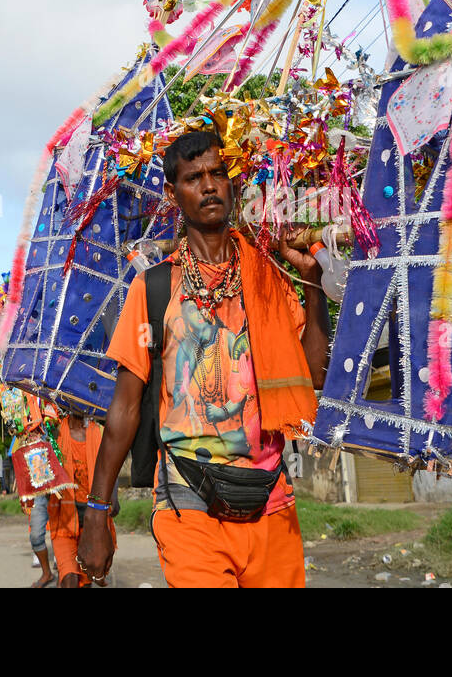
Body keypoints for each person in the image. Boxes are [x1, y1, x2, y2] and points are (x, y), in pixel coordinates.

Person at [80, 131, 330, 588]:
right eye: (194, 178)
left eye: (218, 173)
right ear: (175, 193)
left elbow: (313, 373)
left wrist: (311, 283)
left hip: (270, 498)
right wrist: (98, 510)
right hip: (187, 498)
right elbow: (126, 406)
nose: (209, 185)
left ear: (233, 185)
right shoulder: (153, 288)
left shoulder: (267, 277)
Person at [47, 414, 116, 587]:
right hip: (64, 520)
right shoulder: (54, 432)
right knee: (69, 577)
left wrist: (113, 497)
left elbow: (111, 465)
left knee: (86, 580)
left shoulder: (99, 432)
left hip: (92, 519)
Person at [27, 496, 53, 588]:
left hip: (64, 490)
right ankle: (47, 574)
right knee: (35, 537)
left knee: (63, 534)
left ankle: (65, 574)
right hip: (40, 492)